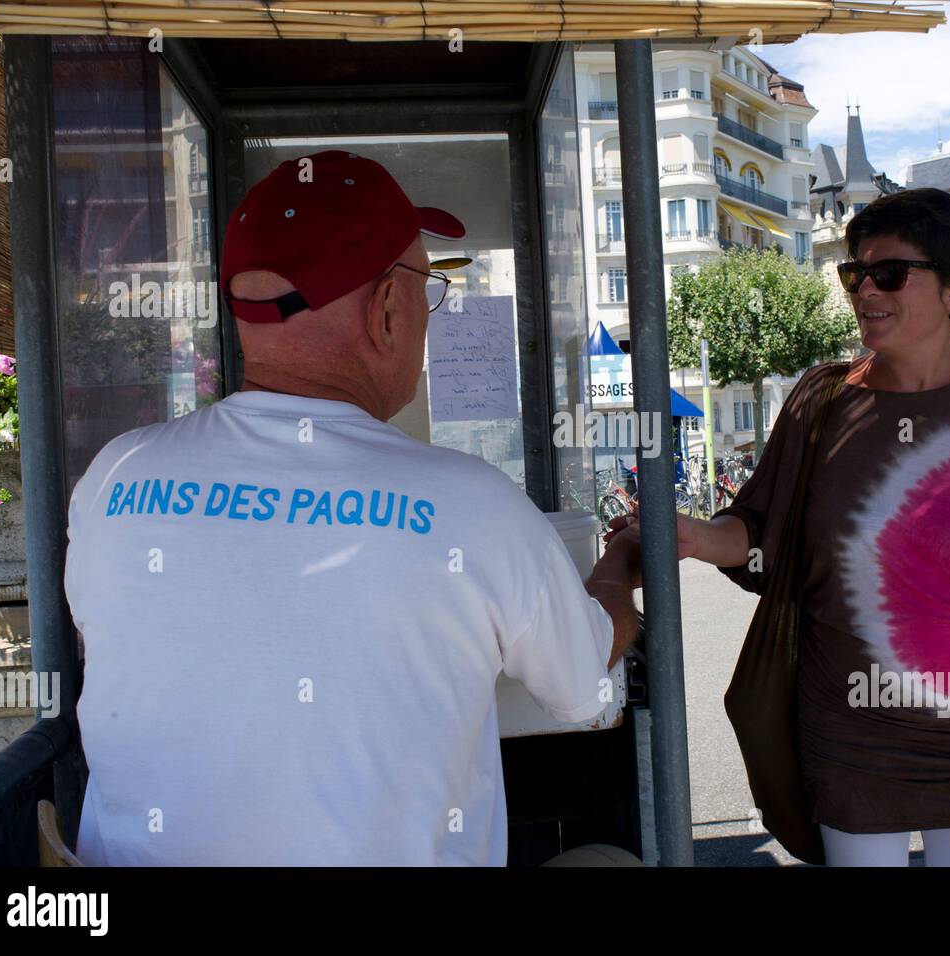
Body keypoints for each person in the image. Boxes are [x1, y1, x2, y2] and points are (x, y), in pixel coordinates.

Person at [63, 151, 642, 866]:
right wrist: (620, 571)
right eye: (426, 286)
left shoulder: (114, 477)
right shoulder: (473, 506)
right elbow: (582, 688)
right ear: (389, 310)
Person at [613, 188, 950, 866]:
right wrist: (699, 538)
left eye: (889, 274)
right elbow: (762, 531)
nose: (864, 291)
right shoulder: (822, 400)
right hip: (850, 727)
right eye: (856, 273)